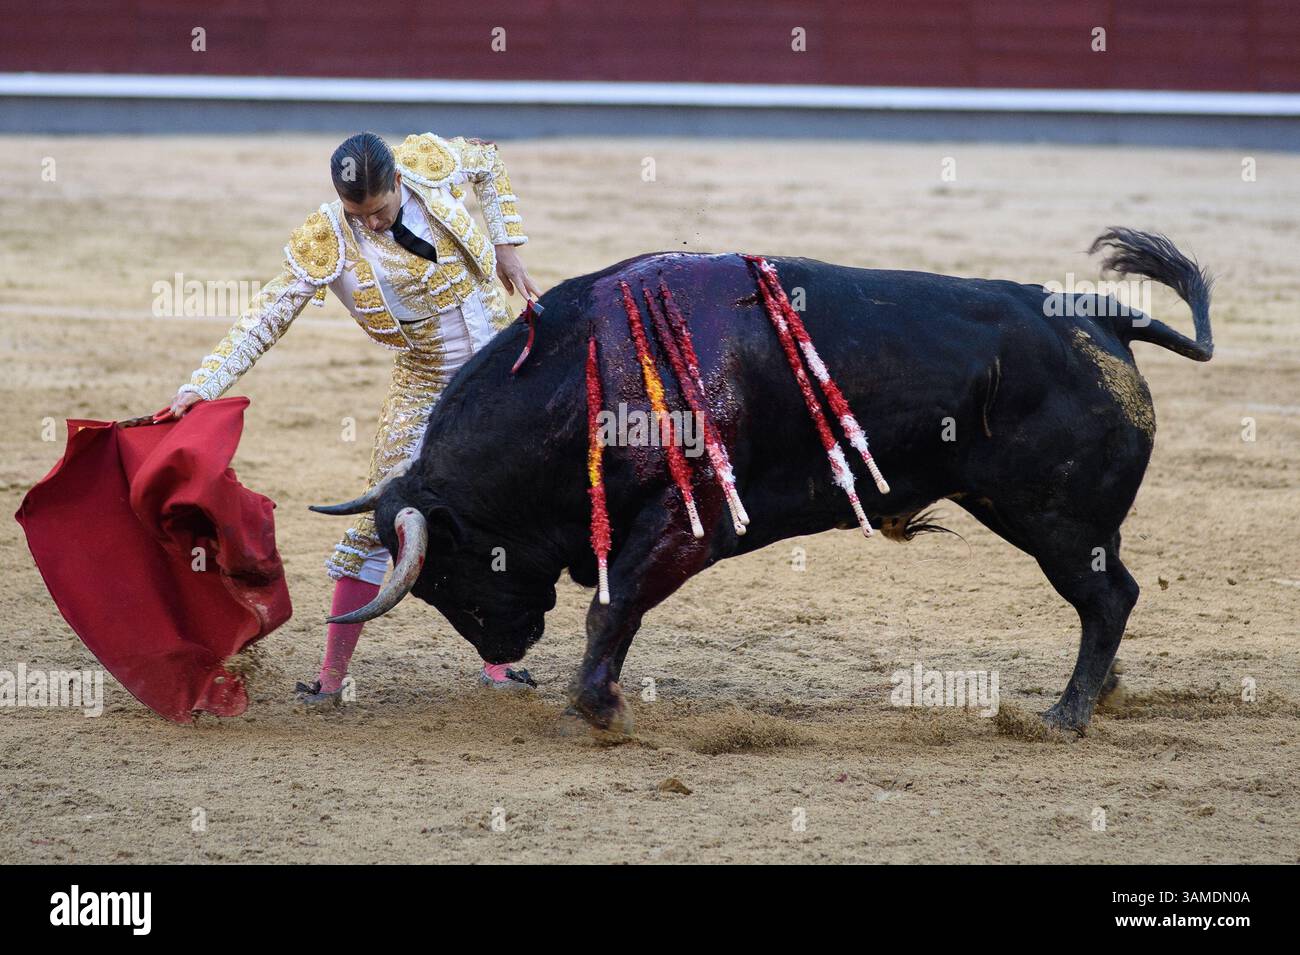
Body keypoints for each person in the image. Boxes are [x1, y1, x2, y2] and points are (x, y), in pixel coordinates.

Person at [160, 131, 542, 702]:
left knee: (518, 508)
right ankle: (331, 679)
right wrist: (201, 385)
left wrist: (507, 245)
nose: (372, 224)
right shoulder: (329, 238)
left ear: (397, 183)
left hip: (505, 369)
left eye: (381, 210)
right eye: (357, 213)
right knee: (376, 517)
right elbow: (265, 318)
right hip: (427, 383)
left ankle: (498, 662)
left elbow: (487, 158)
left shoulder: (427, 165)